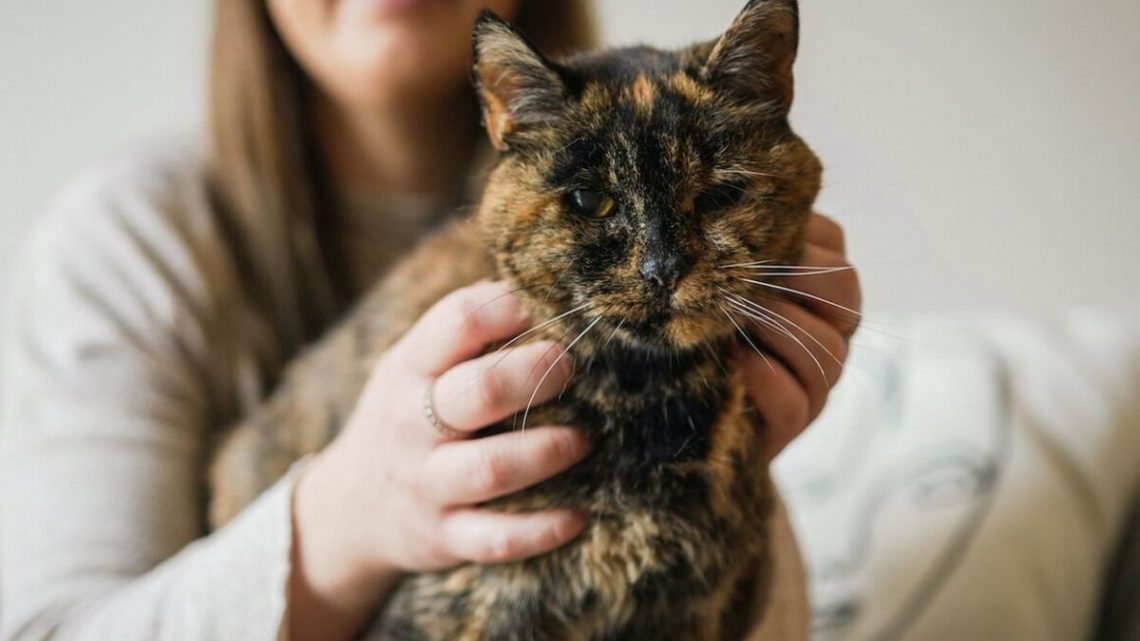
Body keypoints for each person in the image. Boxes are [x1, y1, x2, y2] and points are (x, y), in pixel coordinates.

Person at [0, 1, 861, 640]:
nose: (661, 266)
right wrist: (344, 516)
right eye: (591, 203)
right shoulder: (134, 237)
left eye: (708, 200)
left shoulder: (702, 222)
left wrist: (732, 468)